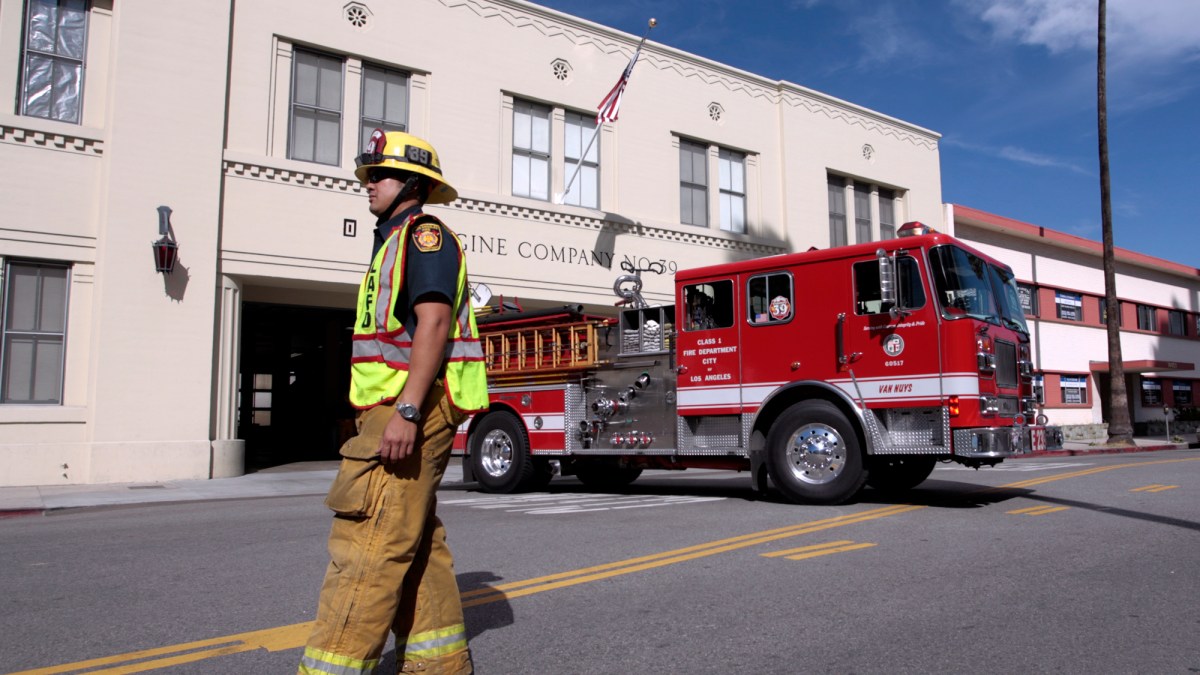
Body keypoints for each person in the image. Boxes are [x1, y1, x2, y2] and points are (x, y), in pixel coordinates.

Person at [299, 129, 488, 675]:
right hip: (401, 406)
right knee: (415, 542)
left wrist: (406, 410)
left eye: (379, 174)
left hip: (408, 408)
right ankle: (439, 665)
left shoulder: (423, 236)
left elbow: (434, 322)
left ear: (413, 185)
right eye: (368, 174)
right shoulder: (393, 242)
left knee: (369, 544)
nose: (368, 183)